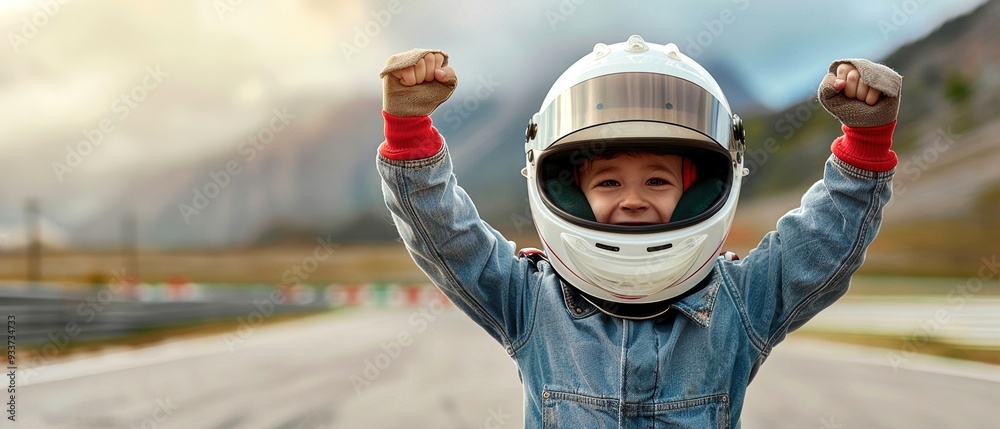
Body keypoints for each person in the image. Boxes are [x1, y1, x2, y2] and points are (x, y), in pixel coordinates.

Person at [375, 35, 900, 427]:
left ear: (698, 188)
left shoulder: (740, 305)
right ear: (568, 190)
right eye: (607, 181)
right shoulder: (531, 302)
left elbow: (821, 247)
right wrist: (409, 132)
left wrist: (866, 143)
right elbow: (451, 241)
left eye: (657, 180)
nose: (632, 199)